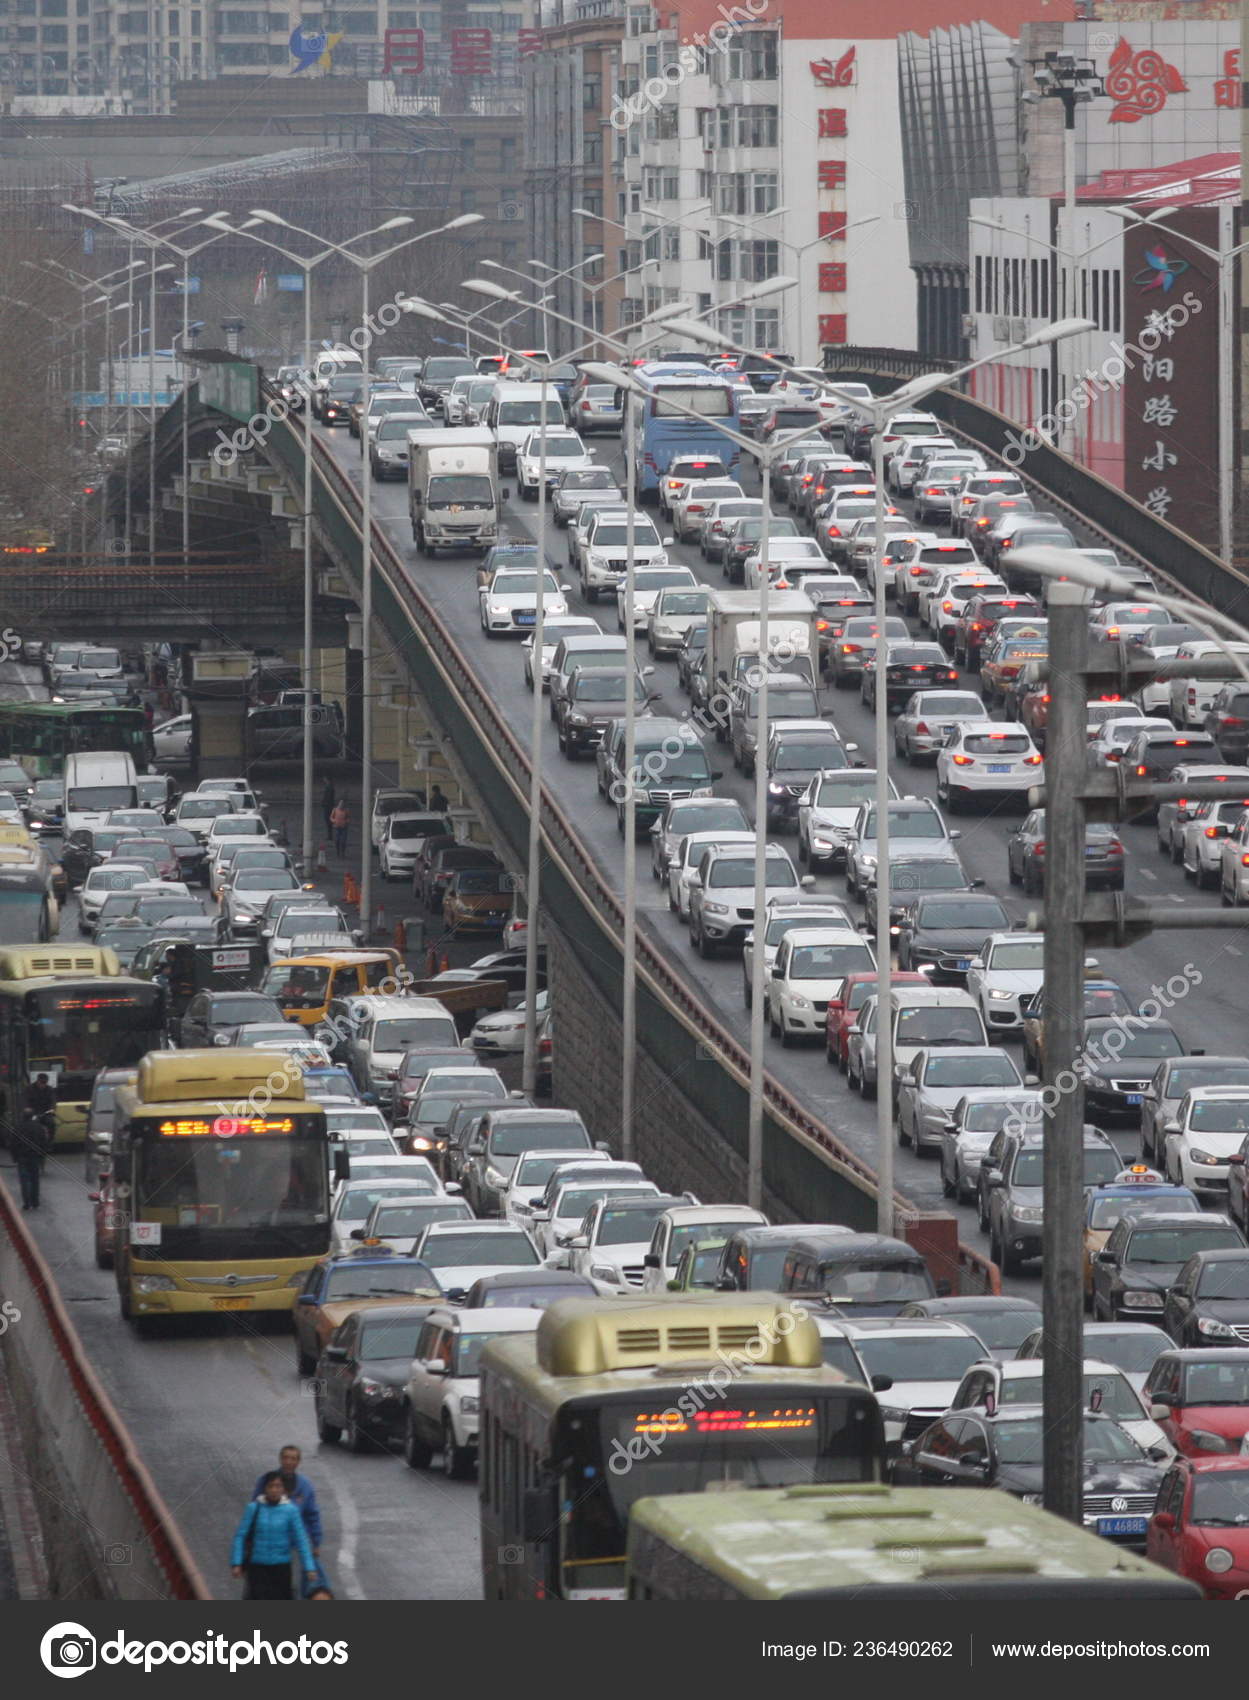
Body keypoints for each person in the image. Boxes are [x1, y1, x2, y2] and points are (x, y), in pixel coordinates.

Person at [231, 1472, 317, 1600]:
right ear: (265, 1488)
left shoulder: (291, 1510)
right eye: (271, 1486)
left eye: (278, 1486)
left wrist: (309, 1567)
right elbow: (240, 1536)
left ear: (283, 1489)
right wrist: (236, 1562)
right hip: (257, 1567)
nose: (274, 1490)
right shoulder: (253, 1508)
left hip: (281, 1567)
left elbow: (301, 1540)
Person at [252, 1445, 323, 1555]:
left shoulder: (305, 1486)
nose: (288, 1462)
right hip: (270, 1542)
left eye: (293, 1459)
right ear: (280, 1459)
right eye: (285, 1458)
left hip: (295, 1544)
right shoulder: (266, 1480)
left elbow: (312, 1515)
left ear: (298, 1462)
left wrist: (316, 1542)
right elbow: (255, 1510)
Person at [11, 1107, 51, 1210]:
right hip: (34, 1157)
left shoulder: (18, 1127)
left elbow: (13, 1144)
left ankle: (26, 1203)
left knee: (24, 1181)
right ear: (33, 1116)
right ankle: (35, 1202)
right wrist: (42, 1156)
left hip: (22, 1157)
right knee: (35, 1180)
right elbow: (44, 1143)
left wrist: (15, 1157)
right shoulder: (39, 1127)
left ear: (23, 1116)